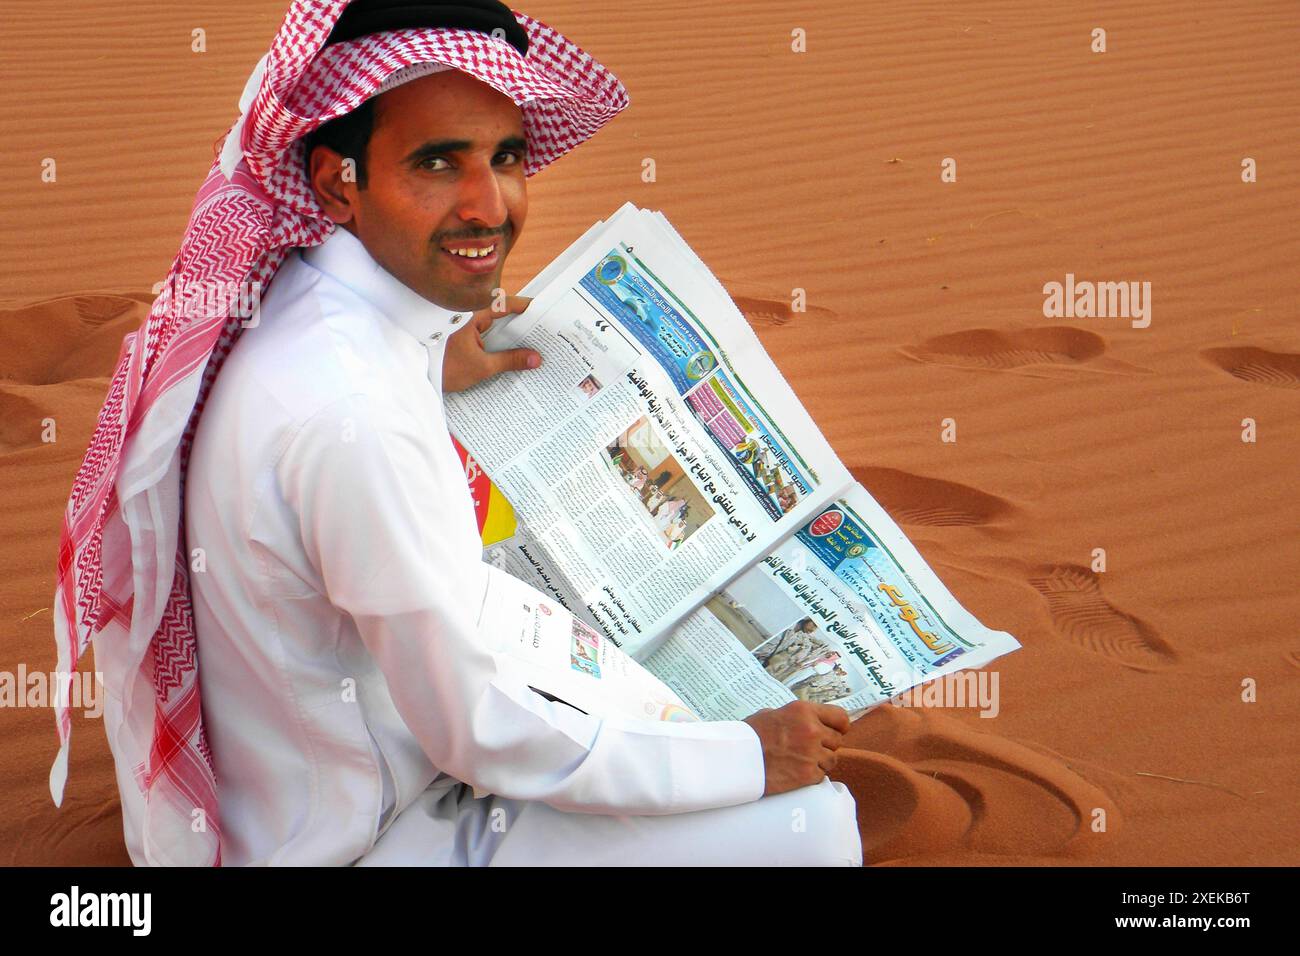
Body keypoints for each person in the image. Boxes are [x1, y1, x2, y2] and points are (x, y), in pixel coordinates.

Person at [51, 0, 860, 867]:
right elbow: (478, 733)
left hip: (344, 765)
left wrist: (425, 365)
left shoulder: (306, 312)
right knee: (812, 828)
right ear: (334, 183)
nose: (489, 206)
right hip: (356, 840)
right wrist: (751, 757)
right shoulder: (352, 414)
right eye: (438, 163)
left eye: (506, 159)